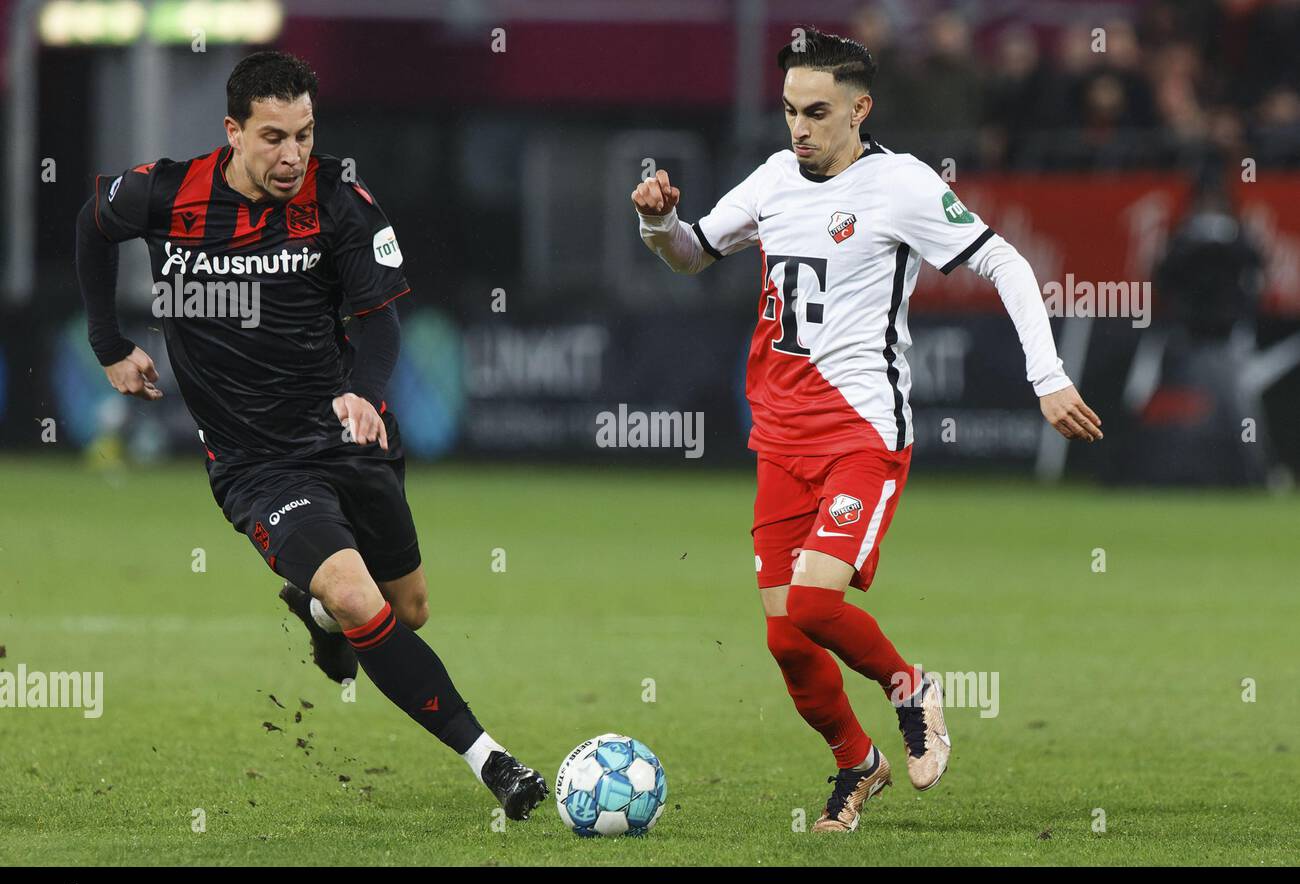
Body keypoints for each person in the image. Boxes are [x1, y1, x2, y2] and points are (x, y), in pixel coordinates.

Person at [632, 28, 1102, 832]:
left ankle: (911, 689)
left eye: (816, 112)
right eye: (788, 111)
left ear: (860, 109)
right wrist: (659, 225)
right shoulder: (777, 177)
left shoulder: (902, 186)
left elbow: (1005, 263)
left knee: (816, 605)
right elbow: (694, 253)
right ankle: (857, 765)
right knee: (785, 640)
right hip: (779, 439)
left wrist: (1047, 376)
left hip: (862, 433)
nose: (798, 129)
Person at [74, 50, 548, 820]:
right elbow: (90, 223)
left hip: (344, 437)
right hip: (256, 464)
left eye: (304, 133)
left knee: (410, 608)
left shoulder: (340, 202)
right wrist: (107, 342)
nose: (292, 154)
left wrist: (364, 392)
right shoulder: (165, 193)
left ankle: (318, 611)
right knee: (363, 600)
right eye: (272, 137)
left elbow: (380, 319)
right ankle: (493, 762)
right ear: (232, 131)